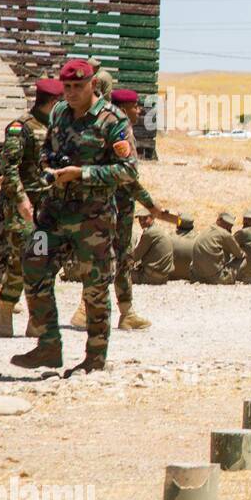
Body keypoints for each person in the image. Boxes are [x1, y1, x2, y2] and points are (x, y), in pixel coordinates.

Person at [11, 59, 137, 374]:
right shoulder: (58, 114)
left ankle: (94, 359)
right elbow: (47, 151)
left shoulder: (113, 120)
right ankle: (48, 345)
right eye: (67, 88)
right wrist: (49, 167)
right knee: (33, 264)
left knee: (95, 286)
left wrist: (81, 174)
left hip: (93, 217)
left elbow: (128, 170)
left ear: (93, 85)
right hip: (53, 213)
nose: (71, 93)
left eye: (78, 87)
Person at [65, 87, 172, 331]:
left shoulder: (112, 128)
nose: (140, 110)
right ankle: (89, 309)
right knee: (113, 257)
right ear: (124, 109)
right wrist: (151, 204)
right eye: (136, 106)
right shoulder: (120, 132)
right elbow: (127, 177)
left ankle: (125, 311)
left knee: (114, 257)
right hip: (115, 205)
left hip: (112, 204)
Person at [0, 78, 61, 338]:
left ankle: (35, 318)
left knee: (41, 260)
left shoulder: (56, 128)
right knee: (22, 260)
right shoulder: (20, 128)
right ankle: (6, 305)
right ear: (53, 102)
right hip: (19, 207)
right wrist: (22, 201)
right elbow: (8, 169)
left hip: (45, 208)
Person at [191, 212, 246, 284]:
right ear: (230, 226)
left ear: (218, 220)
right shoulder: (225, 234)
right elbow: (239, 254)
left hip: (197, 276)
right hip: (216, 279)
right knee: (244, 259)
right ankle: (239, 278)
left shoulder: (205, 230)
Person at [130, 211, 175, 285]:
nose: (141, 221)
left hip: (152, 277)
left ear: (152, 218)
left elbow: (136, 256)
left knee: (122, 275)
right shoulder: (158, 230)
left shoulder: (149, 233)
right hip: (164, 276)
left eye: (145, 218)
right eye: (140, 219)